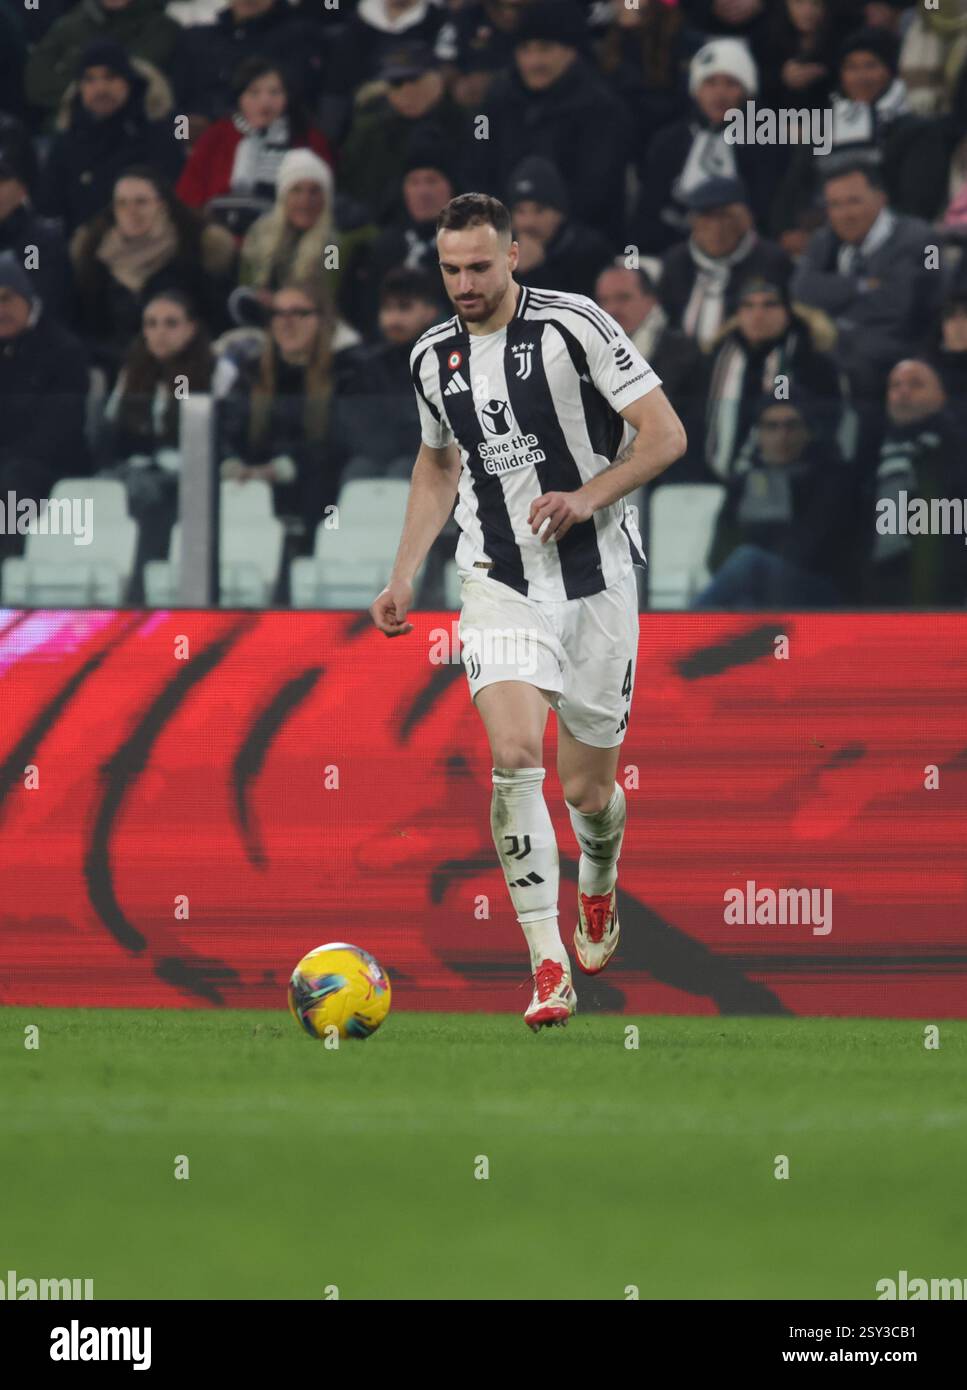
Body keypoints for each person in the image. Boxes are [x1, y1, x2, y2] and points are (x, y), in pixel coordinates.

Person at [369, 193, 687, 1029]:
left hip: (596, 583)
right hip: (497, 580)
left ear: (514, 256)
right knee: (513, 754)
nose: (464, 283)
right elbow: (437, 466)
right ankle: (547, 967)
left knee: (587, 791)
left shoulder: (575, 325)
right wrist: (403, 575)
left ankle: (599, 873)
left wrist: (586, 498)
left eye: (479, 265)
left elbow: (662, 436)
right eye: (450, 269)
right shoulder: (431, 356)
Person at [791, 161, 944, 400]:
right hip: (838, 354)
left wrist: (833, 314)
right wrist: (862, 285)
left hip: (898, 355)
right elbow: (801, 290)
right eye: (835, 205)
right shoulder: (824, 239)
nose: (845, 214)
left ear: (880, 199)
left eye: (854, 201)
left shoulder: (919, 239)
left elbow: (896, 306)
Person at [692, 395, 857, 609]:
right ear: (759, 435)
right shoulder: (744, 483)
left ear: (807, 432)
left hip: (817, 588)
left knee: (747, 561)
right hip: (758, 588)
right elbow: (718, 552)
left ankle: (677, 635)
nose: (782, 435)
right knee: (743, 603)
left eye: (791, 426)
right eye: (772, 427)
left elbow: (815, 547)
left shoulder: (831, 479)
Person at [70, 167, 236, 373]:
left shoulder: (195, 250)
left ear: (162, 205)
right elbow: (84, 328)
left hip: (187, 370)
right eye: (122, 203)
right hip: (114, 369)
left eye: (141, 202)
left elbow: (215, 322)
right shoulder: (95, 256)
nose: (131, 211)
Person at [98, 289, 213, 575]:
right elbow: (115, 434)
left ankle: (145, 582)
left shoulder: (216, 372)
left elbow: (216, 438)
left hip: (189, 475)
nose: (160, 332)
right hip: (137, 471)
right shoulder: (132, 373)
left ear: (192, 328)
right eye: (151, 324)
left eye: (171, 323)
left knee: (151, 496)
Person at [218, 278, 343, 531]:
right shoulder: (250, 373)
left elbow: (341, 444)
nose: (287, 322)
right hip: (249, 487)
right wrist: (232, 464)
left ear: (322, 320)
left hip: (317, 496)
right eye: (278, 313)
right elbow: (224, 429)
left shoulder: (345, 373)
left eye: (299, 313)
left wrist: (283, 468)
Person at [36, 40, 183, 236]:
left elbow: (173, 201)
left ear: (128, 82)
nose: (100, 88)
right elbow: (48, 209)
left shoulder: (158, 135)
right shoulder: (66, 142)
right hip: (75, 252)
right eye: (89, 79)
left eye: (110, 77)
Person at [0, 253, 90, 560]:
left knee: (10, 492)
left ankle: (8, 583)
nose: (0, 310)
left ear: (27, 297)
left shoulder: (63, 350)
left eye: (6, 298)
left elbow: (61, 428)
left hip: (50, 467)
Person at [861, 358, 967, 605]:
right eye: (895, 385)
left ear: (941, 396)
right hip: (875, 586)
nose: (903, 391)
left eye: (916, 384)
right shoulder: (869, 453)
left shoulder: (957, 450)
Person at [175, 57, 333, 214]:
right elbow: (188, 196)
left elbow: (322, 199)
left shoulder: (309, 139)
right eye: (254, 93)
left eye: (275, 93)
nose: (265, 102)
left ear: (288, 97)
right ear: (239, 97)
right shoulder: (216, 135)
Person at [659, 176, 792, 349]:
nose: (716, 227)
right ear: (693, 221)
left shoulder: (772, 261)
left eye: (725, 216)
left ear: (746, 219)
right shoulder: (676, 262)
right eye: (706, 216)